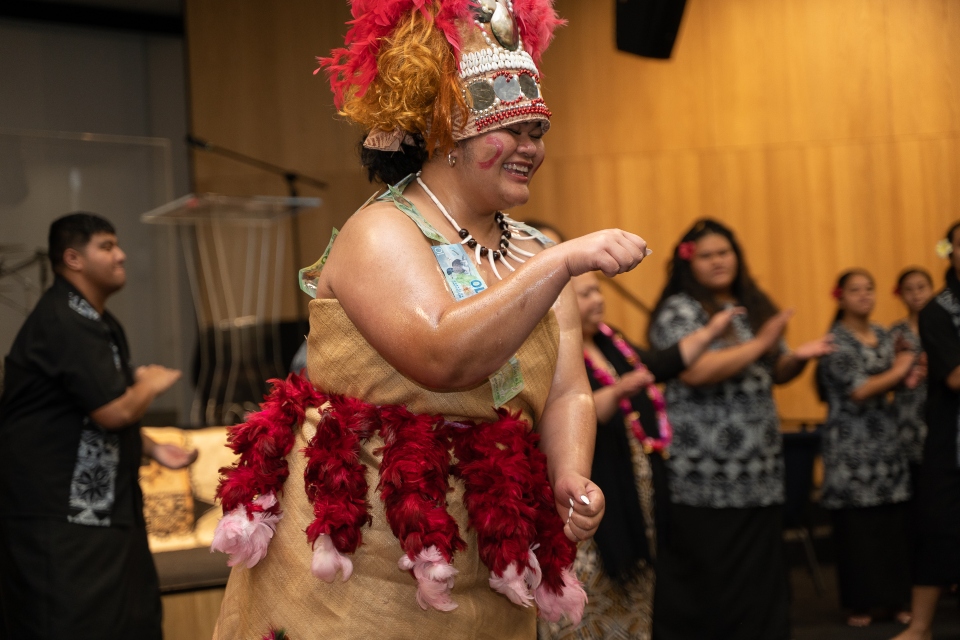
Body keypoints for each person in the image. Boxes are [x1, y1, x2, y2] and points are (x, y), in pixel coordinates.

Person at [209, 2, 649, 639]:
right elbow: (442, 356)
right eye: (515, 130)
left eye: (538, 131)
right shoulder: (381, 231)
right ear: (447, 131)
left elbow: (567, 388)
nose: (532, 148)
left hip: (492, 537)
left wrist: (571, 474)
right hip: (361, 551)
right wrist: (561, 262)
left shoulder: (530, 250)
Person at [0, 212, 196, 640]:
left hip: (102, 511)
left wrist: (152, 448)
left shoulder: (96, 320)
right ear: (73, 258)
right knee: (73, 625)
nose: (121, 255)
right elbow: (113, 411)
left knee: (133, 619)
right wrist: (149, 383)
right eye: (106, 246)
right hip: (59, 517)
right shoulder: (63, 320)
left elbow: (88, 408)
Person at [647, 218, 834, 640]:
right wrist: (760, 344)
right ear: (689, 262)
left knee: (759, 582)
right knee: (712, 582)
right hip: (704, 476)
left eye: (724, 252)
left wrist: (799, 356)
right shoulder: (681, 309)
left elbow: (776, 367)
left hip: (760, 471)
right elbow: (694, 372)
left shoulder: (751, 301)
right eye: (708, 255)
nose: (718, 261)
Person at [539, 272, 739, 640]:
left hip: (636, 487)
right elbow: (571, 411)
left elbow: (661, 364)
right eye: (585, 294)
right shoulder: (553, 350)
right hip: (591, 485)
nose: (597, 299)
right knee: (591, 584)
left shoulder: (611, 341)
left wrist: (710, 332)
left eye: (597, 290)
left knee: (638, 585)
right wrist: (616, 393)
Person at [816, 269, 914, 627]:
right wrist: (902, 367)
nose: (864, 296)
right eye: (855, 290)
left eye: (869, 289)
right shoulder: (836, 341)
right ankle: (861, 605)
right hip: (850, 451)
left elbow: (906, 378)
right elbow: (860, 390)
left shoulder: (887, 335)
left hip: (887, 446)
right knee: (858, 532)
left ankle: (896, 601)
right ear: (840, 296)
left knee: (892, 530)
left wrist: (911, 370)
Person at [894, 223, 960, 640]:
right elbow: (955, 377)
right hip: (950, 442)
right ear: (950, 252)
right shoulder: (939, 309)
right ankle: (920, 627)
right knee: (939, 529)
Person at [890, 268, 934, 491]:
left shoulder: (944, 327)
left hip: (939, 411)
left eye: (921, 287)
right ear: (900, 294)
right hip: (906, 416)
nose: (916, 294)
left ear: (932, 290)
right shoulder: (895, 333)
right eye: (908, 289)